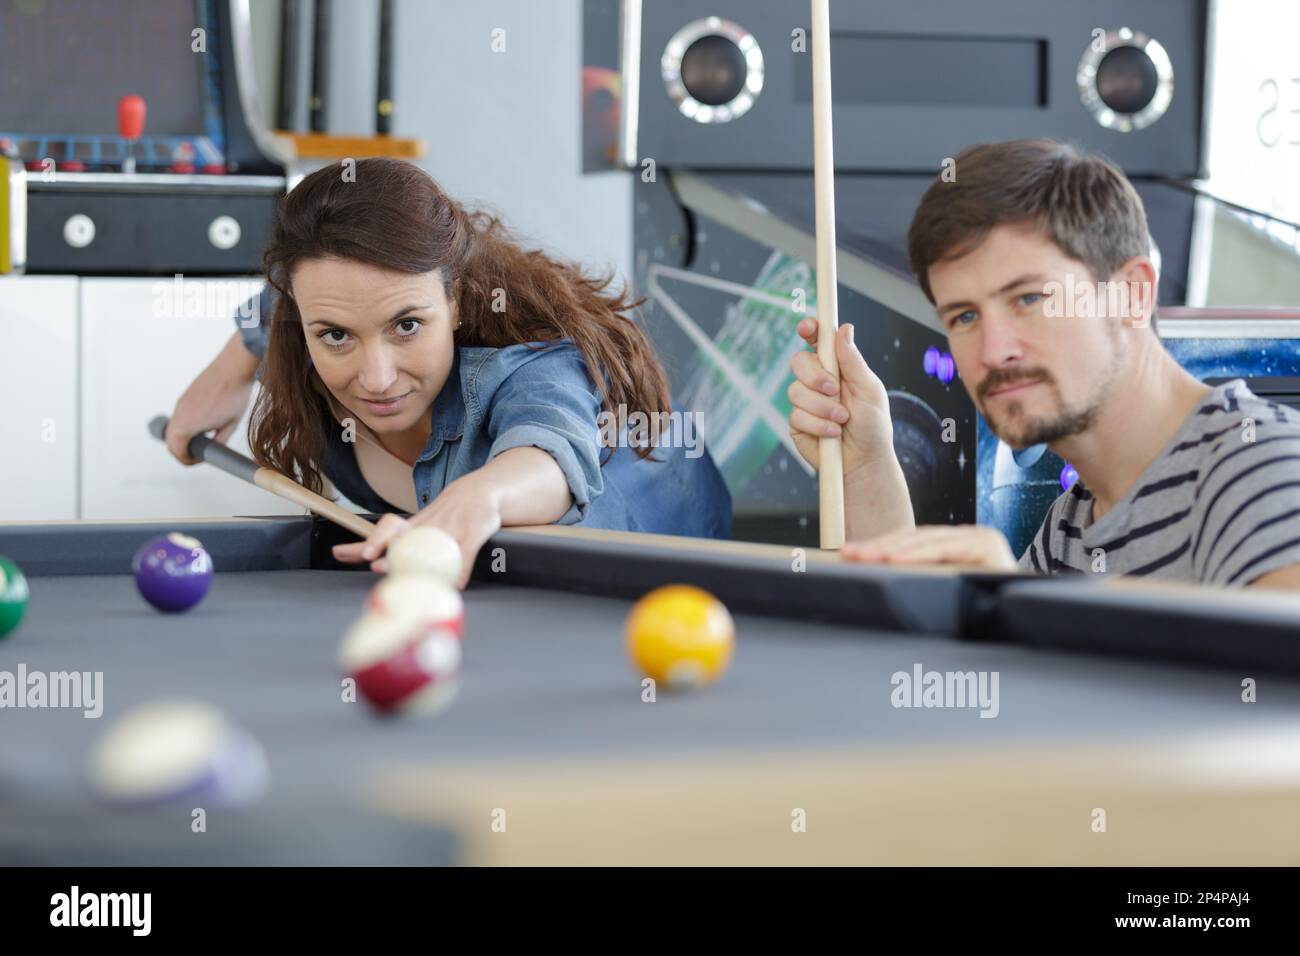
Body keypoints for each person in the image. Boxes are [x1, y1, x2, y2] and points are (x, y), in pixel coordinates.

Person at [167, 158, 730, 586]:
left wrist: (480, 496)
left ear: (457, 299)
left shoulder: (534, 367)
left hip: (659, 529)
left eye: (407, 325)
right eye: (335, 336)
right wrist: (229, 369)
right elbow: (279, 307)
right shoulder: (307, 316)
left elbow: (550, 453)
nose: (377, 378)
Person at [788, 138, 1300, 589]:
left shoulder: (1266, 474)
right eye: (965, 316)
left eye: (1028, 299)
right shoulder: (1072, 526)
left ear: (1132, 293)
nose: (993, 351)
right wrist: (867, 466)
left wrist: (1016, 602)